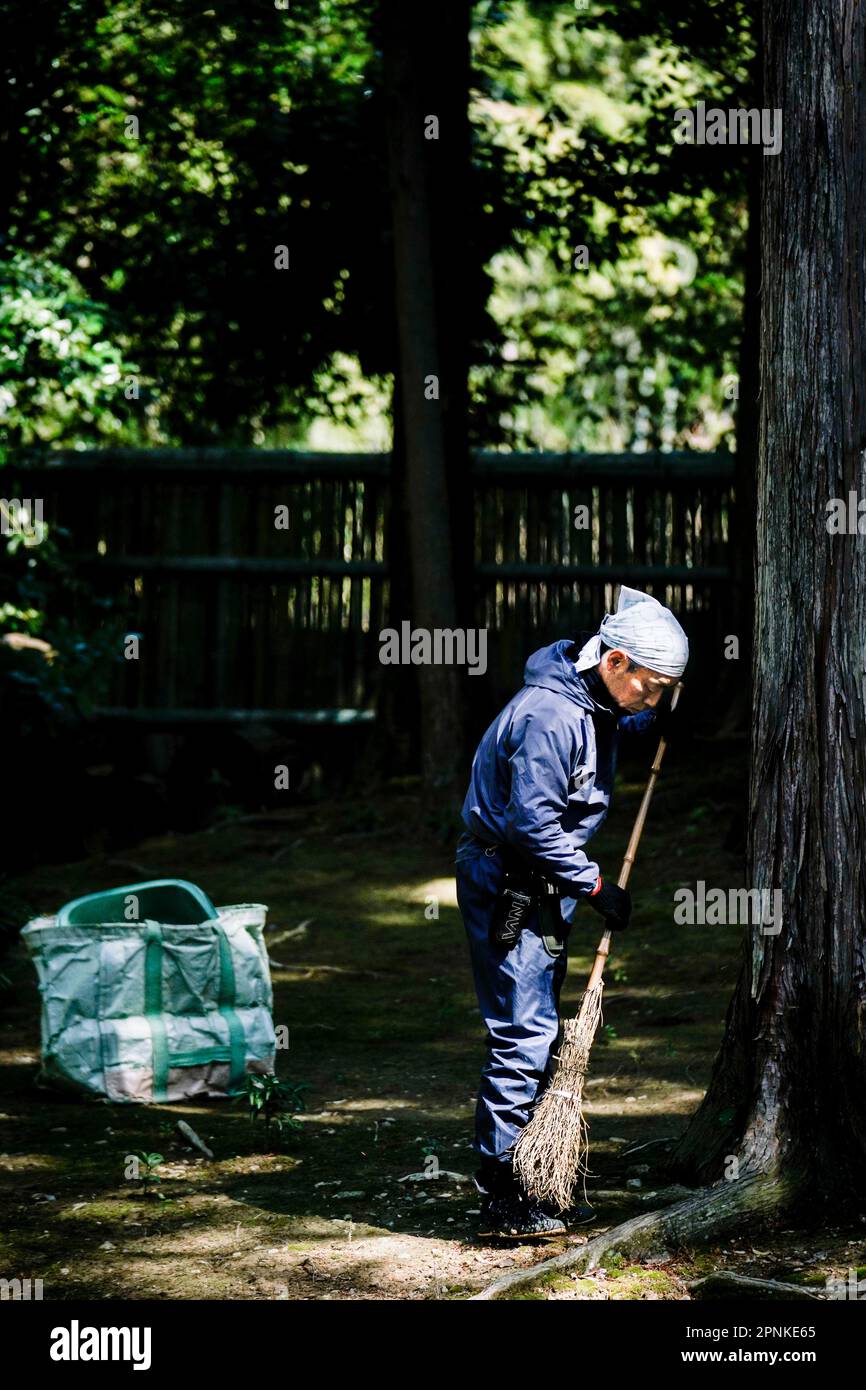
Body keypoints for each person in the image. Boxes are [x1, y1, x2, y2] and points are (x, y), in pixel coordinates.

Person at [456, 586, 689, 1239]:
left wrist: (649, 723)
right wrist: (595, 886)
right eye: (652, 685)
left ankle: (539, 1179)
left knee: (538, 1027)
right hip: (511, 881)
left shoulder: (590, 698)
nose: (655, 696)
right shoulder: (551, 716)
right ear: (615, 660)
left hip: (541, 878)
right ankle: (504, 1199)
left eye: (668, 689)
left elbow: (607, 724)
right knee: (522, 1036)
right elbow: (532, 825)